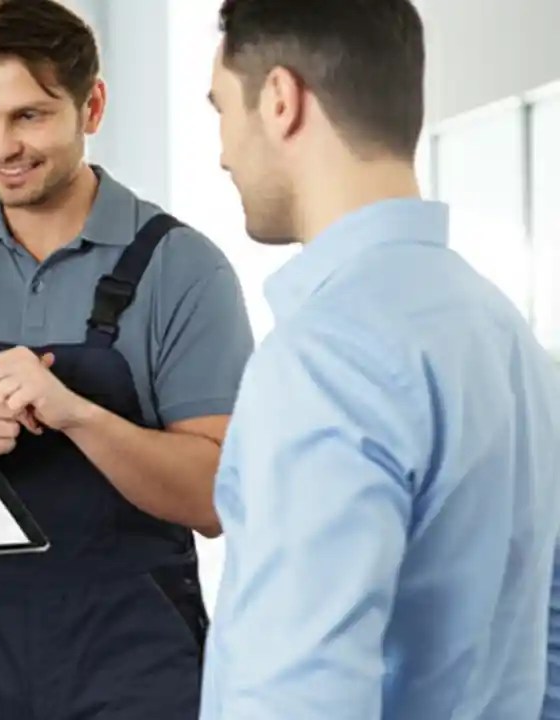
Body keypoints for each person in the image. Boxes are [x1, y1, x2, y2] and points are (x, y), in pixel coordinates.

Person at [0, 1, 255, 716]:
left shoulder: (183, 269)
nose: (2, 147)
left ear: (92, 107)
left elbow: (218, 499)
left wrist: (75, 415)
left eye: (29, 116)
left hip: (132, 671)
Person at [200, 1, 560, 718]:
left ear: (280, 100)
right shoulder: (511, 339)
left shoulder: (325, 358)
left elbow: (297, 696)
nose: (223, 153)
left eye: (222, 110)